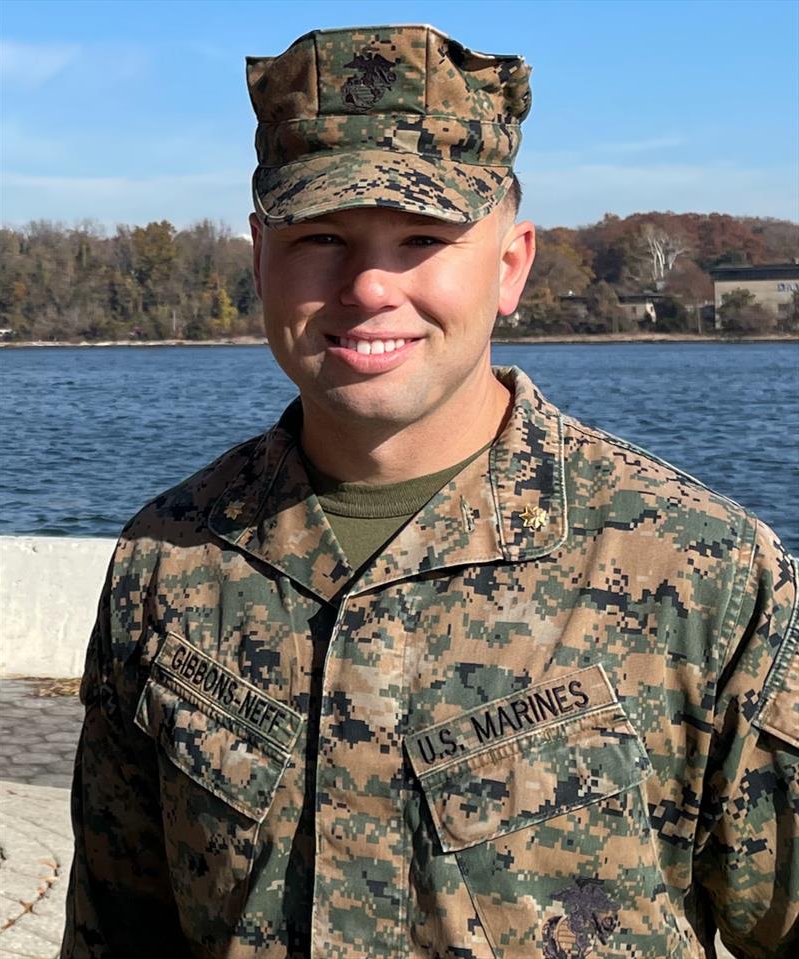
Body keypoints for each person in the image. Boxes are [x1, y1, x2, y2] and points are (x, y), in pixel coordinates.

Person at [61, 24, 797, 959]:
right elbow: (116, 932)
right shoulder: (167, 563)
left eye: (424, 237)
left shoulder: (704, 572)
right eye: (321, 236)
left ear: (510, 265)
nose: (370, 284)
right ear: (260, 260)